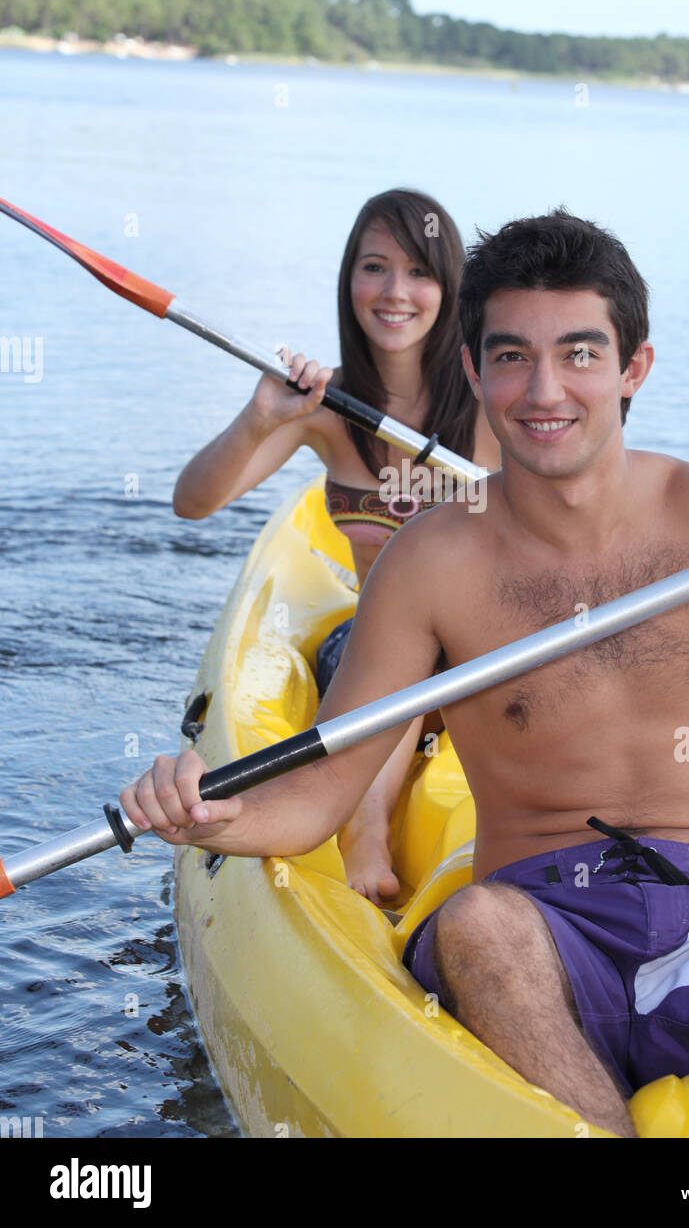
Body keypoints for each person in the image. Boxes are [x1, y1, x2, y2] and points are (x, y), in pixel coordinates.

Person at [121, 210, 689, 1139]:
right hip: (538, 936)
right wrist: (202, 814)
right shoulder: (432, 564)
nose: (544, 389)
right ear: (473, 371)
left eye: (581, 354)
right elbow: (318, 799)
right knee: (476, 924)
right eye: (511, 356)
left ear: (634, 368)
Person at [172, 187, 500, 904]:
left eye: (419, 273)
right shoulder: (323, 408)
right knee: (408, 646)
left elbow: (594, 513)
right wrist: (260, 418)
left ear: (451, 289)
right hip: (373, 654)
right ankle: (366, 830)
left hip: (490, 649)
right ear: (349, 280)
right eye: (374, 268)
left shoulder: (497, 410)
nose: (394, 292)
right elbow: (192, 503)